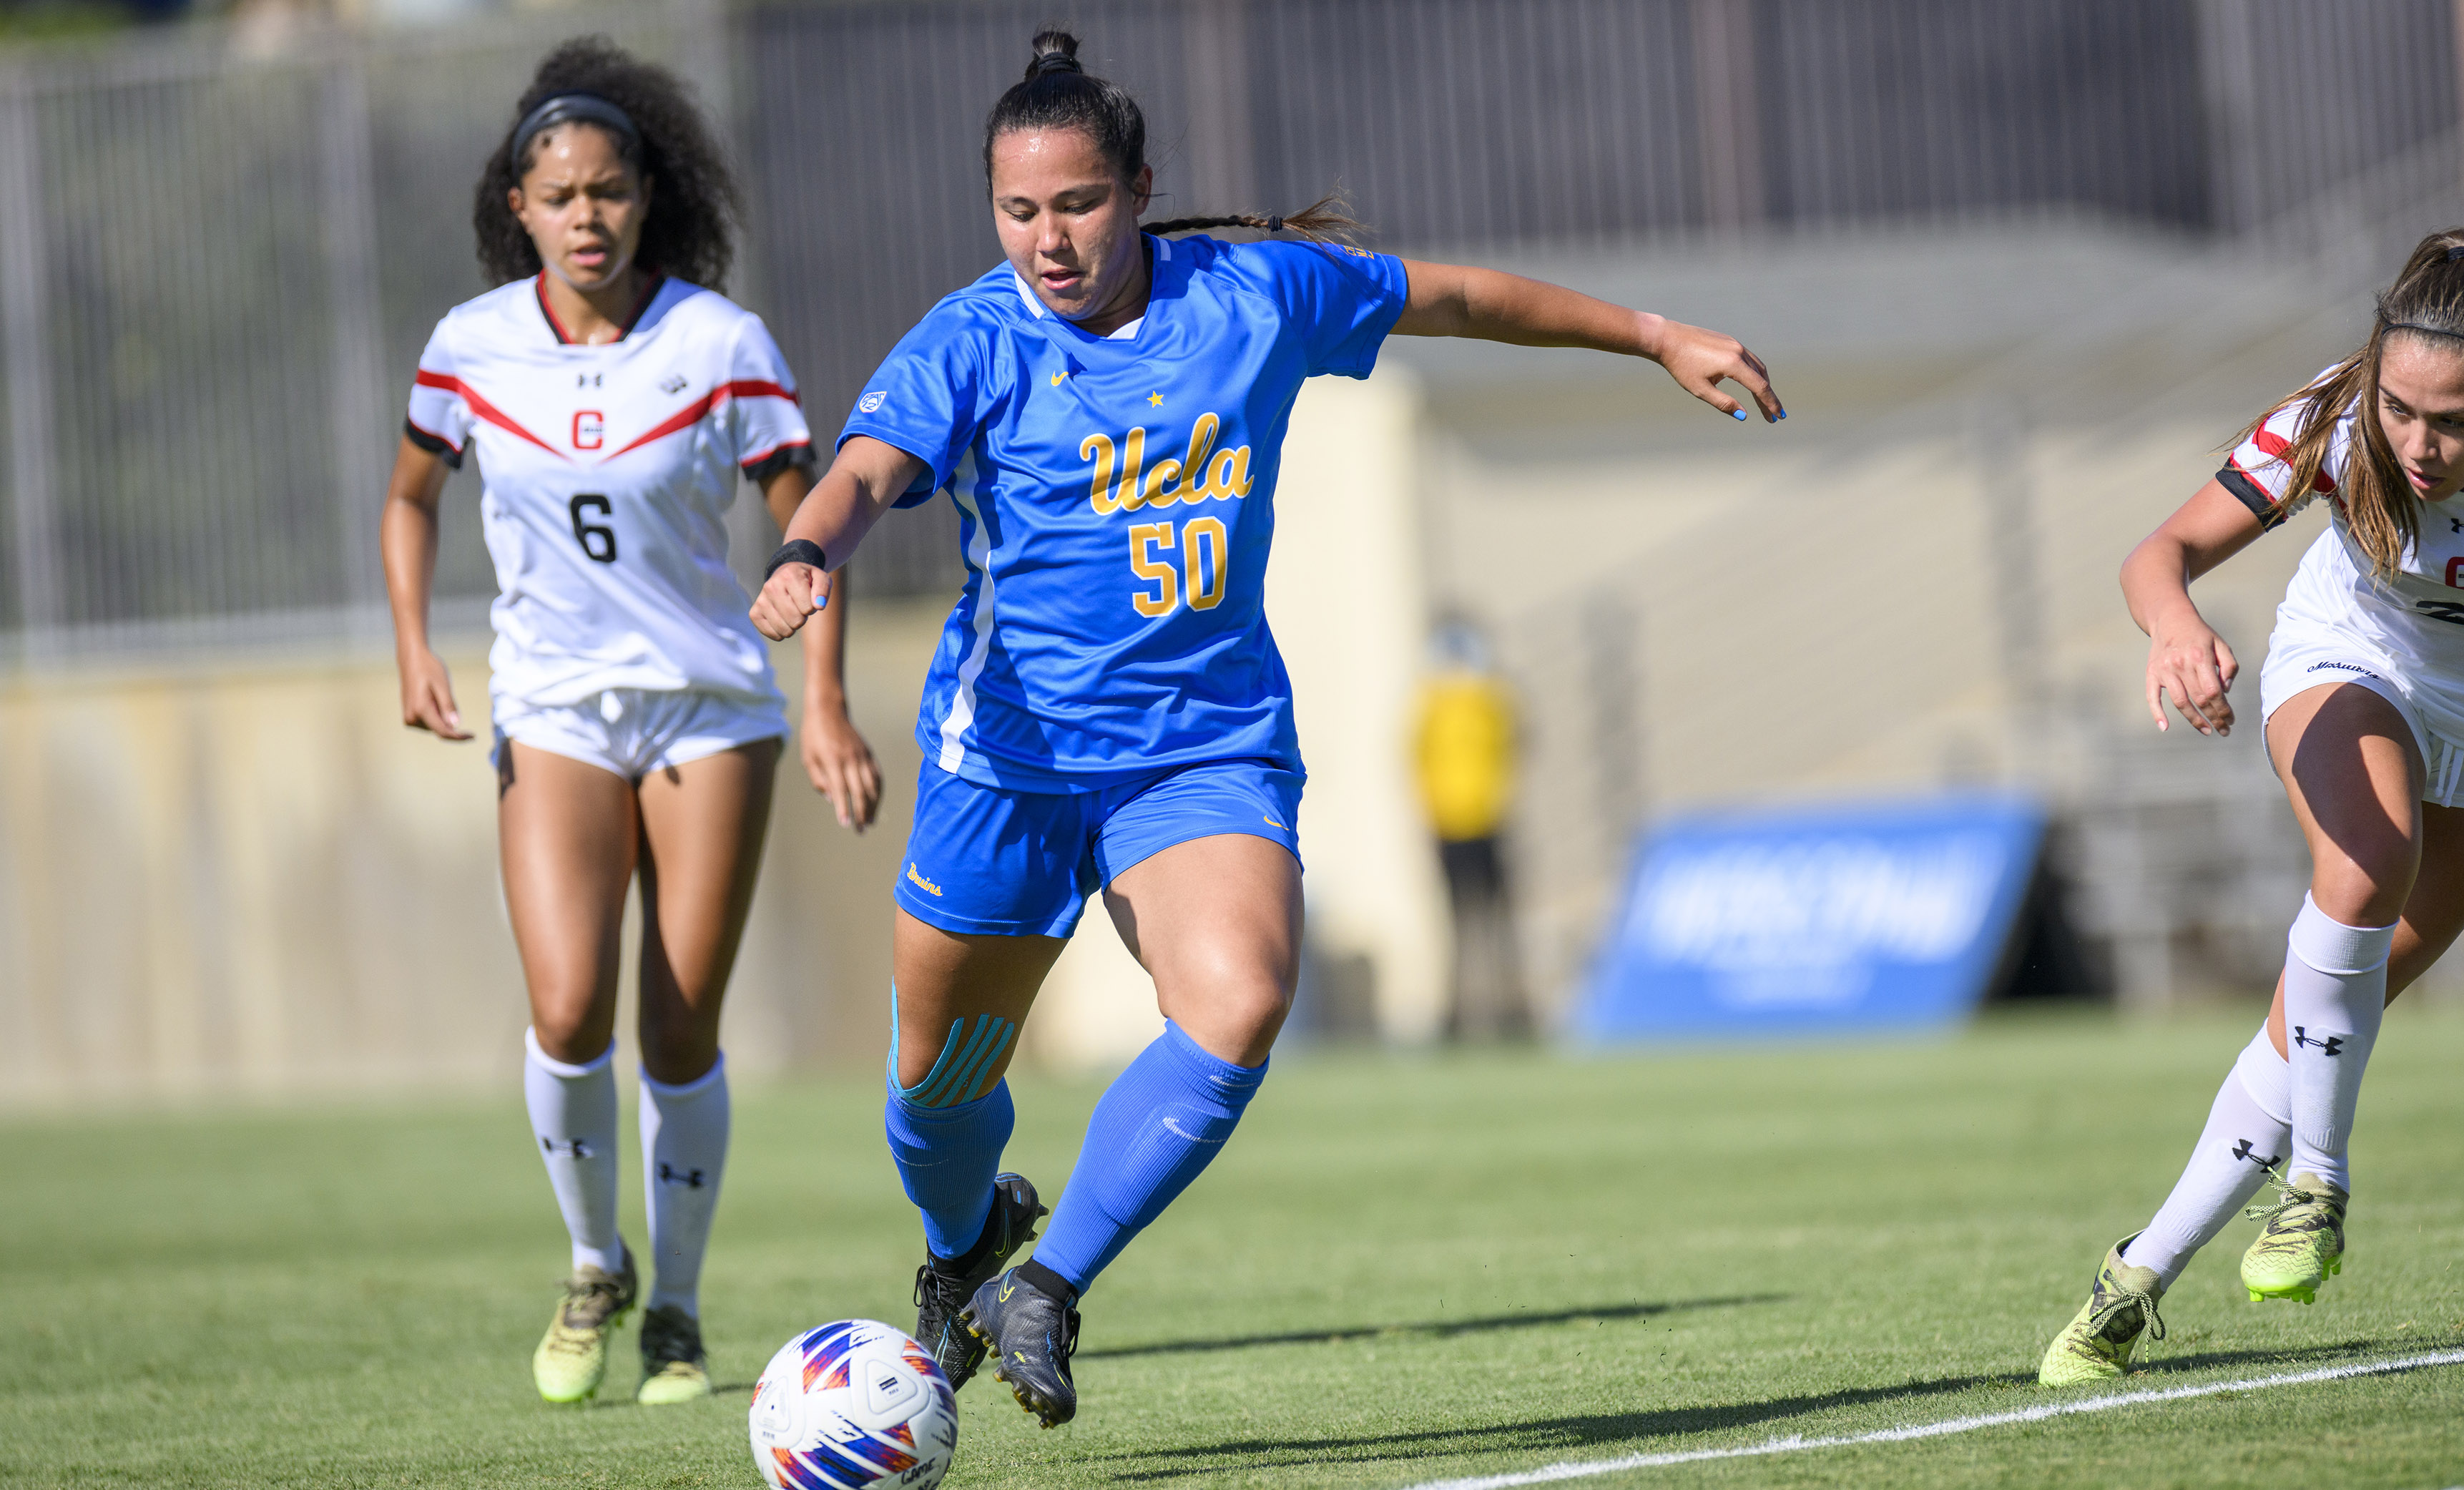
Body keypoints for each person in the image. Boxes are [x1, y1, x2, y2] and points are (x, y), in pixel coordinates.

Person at [750, 29, 1782, 1430]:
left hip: (1201, 747)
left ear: (1139, 189)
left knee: (1236, 1005)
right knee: (936, 1098)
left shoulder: (1256, 294)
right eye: (1018, 211)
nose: (1048, 240)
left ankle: (1047, 1283)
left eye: (1078, 205)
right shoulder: (972, 338)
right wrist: (813, 548)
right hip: (1007, 769)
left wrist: (1654, 334)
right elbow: (865, 470)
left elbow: (1461, 295)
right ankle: (965, 1239)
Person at [381, 38, 883, 1407]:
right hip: (551, 706)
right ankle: (594, 1261)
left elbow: (807, 531)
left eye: (610, 190)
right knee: (564, 1003)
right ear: (518, 209)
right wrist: (416, 641)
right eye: (560, 196)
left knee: (678, 1029)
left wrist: (825, 699)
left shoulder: (720, 344)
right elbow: (411, 494)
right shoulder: (470, 346)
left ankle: (677, 1309)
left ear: (648, 195)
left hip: (714, 707)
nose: (587, 215)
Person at [2040, 229, 2464, 1386]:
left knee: (2327, 1009)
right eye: (2401, 410)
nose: (2418, 444)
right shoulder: (2334, 423)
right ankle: (2319, 1182)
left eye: (2453, 422)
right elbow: (2162, 549)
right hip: (2351, 659)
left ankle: (2132, 1280)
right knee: (2363, 864)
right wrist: (2178, 625)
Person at [1413, 617, 1531, 1039]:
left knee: (1498, 924)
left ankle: (1514, 1012)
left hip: (1489, 823)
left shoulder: (1491, 699)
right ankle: (1458, 1018)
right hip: (1452, 827)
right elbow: (1419, 764)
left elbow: (1516, 743)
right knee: (1462, 927)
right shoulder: (1436, 703)